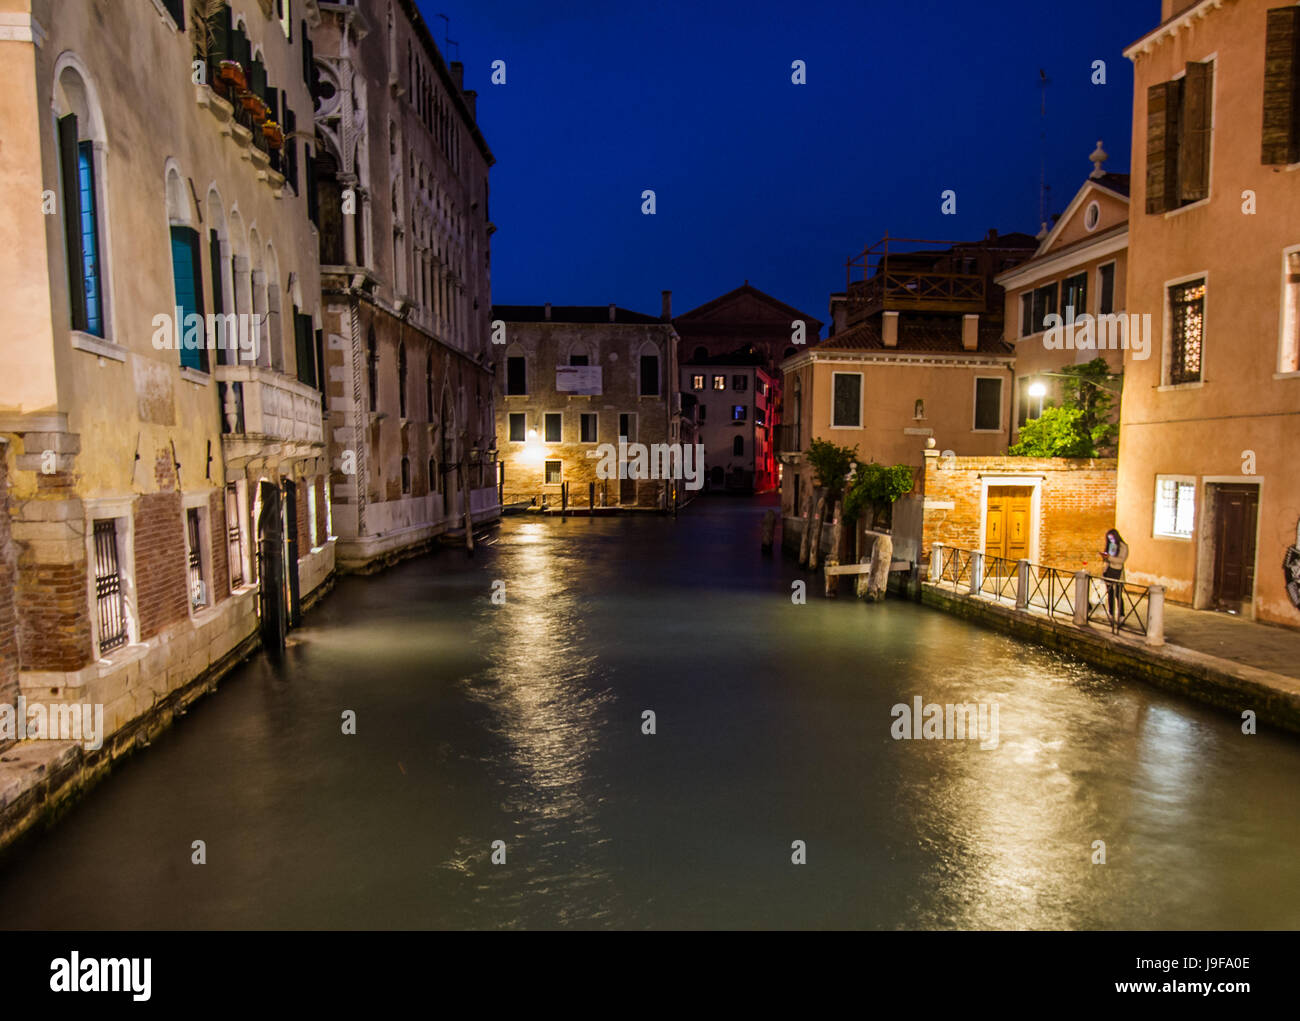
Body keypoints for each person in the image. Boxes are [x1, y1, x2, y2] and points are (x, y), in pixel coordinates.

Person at [1100, 528, 1129, 620]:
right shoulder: (1111, 545)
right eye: (1109, 539)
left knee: (1118, 594)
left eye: (1112, 538)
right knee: (1110, 593)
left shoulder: (1123, 546)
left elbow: (1121, 560)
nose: (1111, 541)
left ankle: (1121, 615)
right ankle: (1111, 613)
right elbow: (1108, 559)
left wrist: (1109, 557)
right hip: (1109, 571)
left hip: (1117, 572)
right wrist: (1105, 557)